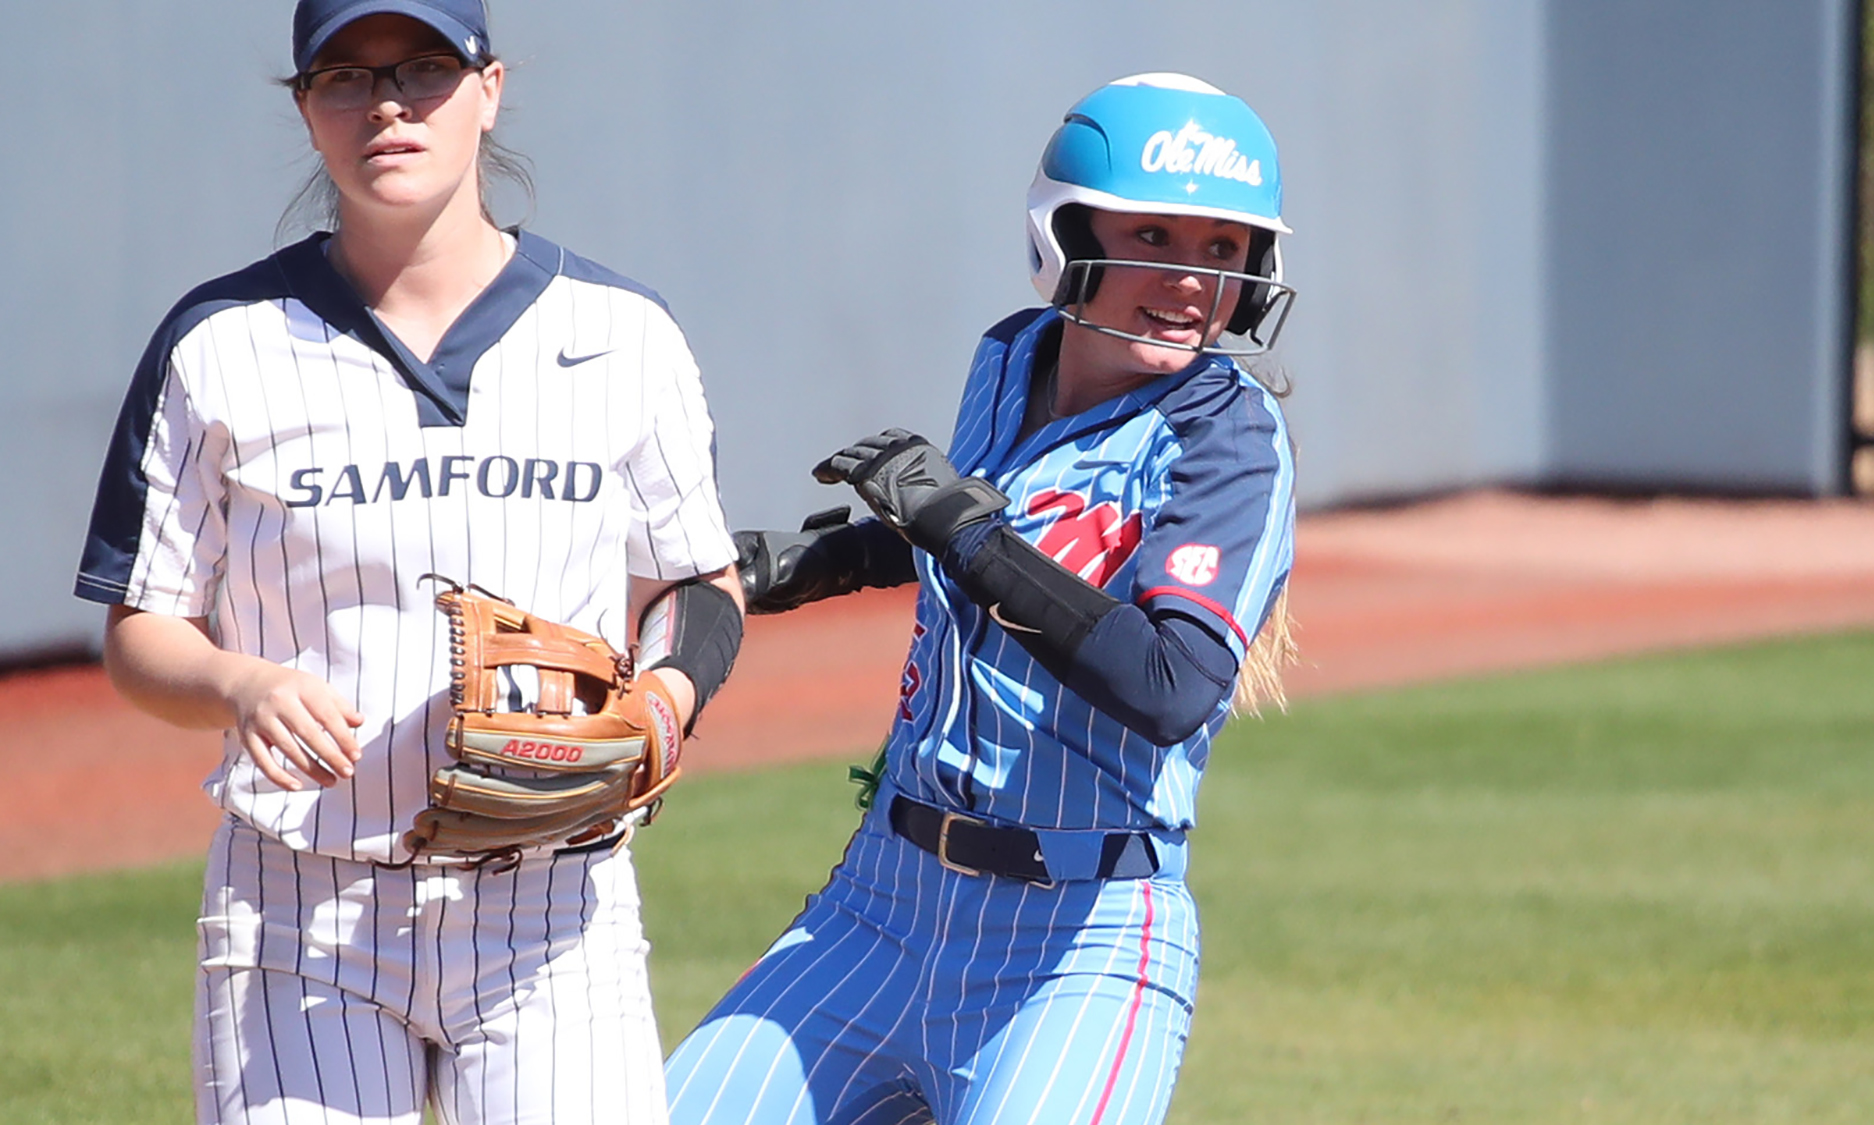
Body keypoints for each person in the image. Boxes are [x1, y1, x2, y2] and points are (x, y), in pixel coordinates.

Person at [72, 2, 744, 1121]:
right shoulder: (220, 343)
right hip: (298, 912)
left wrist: (663, 703)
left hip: (551, 912)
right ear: (304, 107)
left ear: (490, 87)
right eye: (345, 74)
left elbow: (692, 583)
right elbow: (142, 631)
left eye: (425, 68)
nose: (386, 102)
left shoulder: (624, 336)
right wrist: (240, 684)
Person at [662, 72, 1298, 1125]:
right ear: (1066, 236)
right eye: (1151, 237)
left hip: (1078, 941)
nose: (1187, 280)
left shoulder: (1226, 437)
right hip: (881, 906)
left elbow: (1170, 679)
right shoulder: (1009, 358)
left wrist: (962, 526)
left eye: (1219, 251)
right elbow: (981, 549)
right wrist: (794, 565)